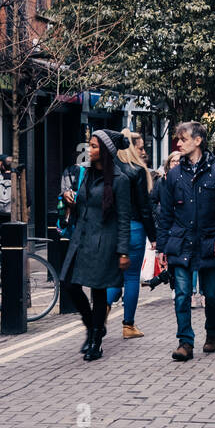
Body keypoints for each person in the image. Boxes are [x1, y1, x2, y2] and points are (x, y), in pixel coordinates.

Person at [156, 121, 215, 361]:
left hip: (209, 241)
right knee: (182, 293)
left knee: (211, 293)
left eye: (182, 139)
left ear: (198, 141)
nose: (178, 143)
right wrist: (162, 246)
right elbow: (165, 213)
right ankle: (185, 342)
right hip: (181, 242)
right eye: (177, 139)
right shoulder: (174, 175)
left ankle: (212, 332)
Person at [60, 131, 131, 362]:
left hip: (104, 241)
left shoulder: (120, 180)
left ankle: (95, 342)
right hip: (81, 238)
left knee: (98, 291)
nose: (88, 150)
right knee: (68, 284)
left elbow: (123, 218)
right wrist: (68, 197)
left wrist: (123, 251)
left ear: (106, 151)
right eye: (88, 146)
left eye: (93, 147)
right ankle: (93, 326)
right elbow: (82, 205)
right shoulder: (85, 174)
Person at [105, 130, 156, 338]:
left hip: (111, 229)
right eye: (141, 147)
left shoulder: (110, 169)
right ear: (131, 147)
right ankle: (128, 326)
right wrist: (154, 236)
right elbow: (145, 208)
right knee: (132, 277)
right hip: (134, 228)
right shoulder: (136, 172)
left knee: (113, 276)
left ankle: (102, 311)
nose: (143, 151)